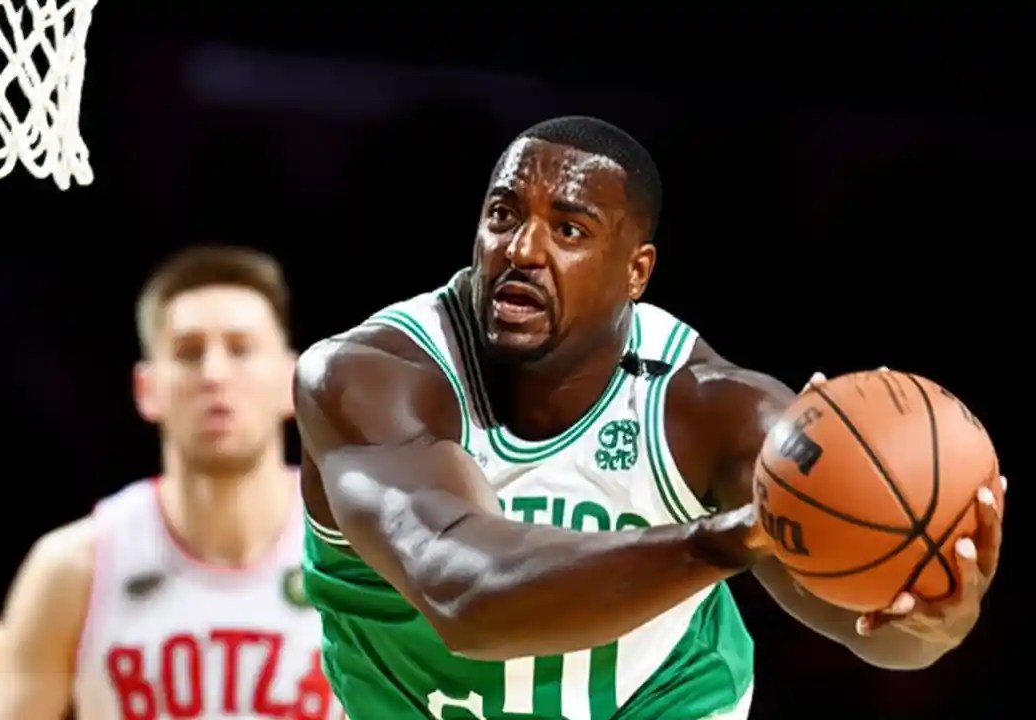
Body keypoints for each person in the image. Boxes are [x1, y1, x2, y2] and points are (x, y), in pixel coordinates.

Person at [294, 115, 1005, 719]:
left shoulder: (713, 408)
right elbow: (464, 594)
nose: (522, 250)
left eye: (568, 229)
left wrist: (936, 619)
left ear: (636, 272)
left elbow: (871, 632)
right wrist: (720, 542)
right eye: (504, 215)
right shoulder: (368, 380)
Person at [0, 245, 342, 719]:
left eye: (241, 349)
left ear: (293, 379)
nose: (214, 374)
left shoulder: (359, 554)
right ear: (146, 389)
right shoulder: (74, 569)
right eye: (188, 354)